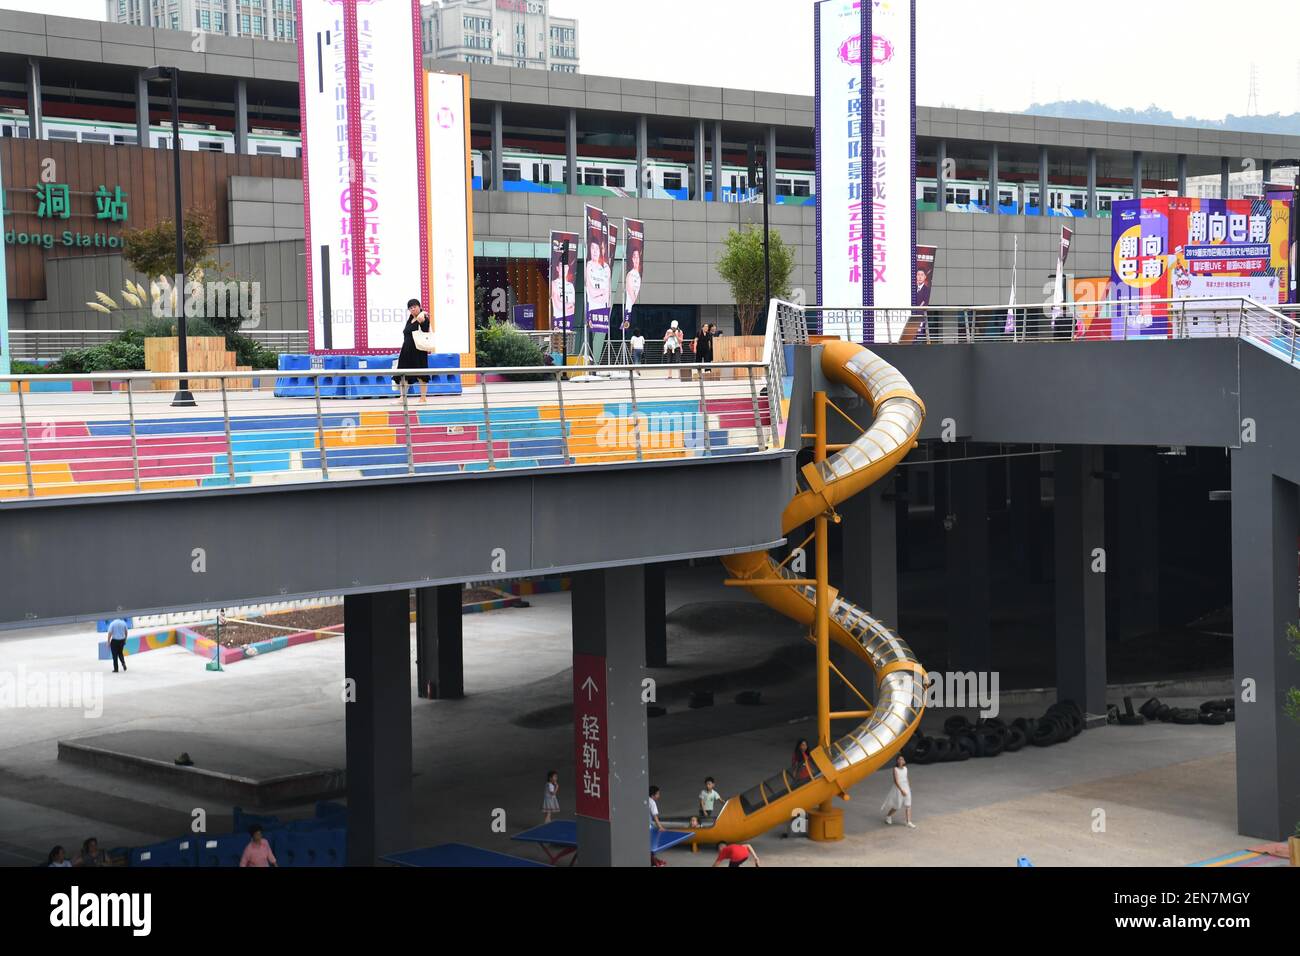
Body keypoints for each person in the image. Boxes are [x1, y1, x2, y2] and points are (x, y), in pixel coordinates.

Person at [394, 298, 432, 404]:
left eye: (414, 307)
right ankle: (402, 398)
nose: (413, 309)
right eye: (410, 308)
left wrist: (423, 312)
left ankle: (423, 398)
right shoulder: (410, 318)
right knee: (402, 374)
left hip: (418, 351)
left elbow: (422, 319)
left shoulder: (423, 317)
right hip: (406, 350)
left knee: (421, 375)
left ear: (419, 306)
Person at [881, 754, 915, 828]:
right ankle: (888, 816)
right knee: (897, 806)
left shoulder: (906, 768)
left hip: (906, 787)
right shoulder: (895, 769)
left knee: (908, 805)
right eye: (899, 759)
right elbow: (896, 781)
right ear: (897, 761)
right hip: (899, 788)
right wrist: (901, 790)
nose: (900, 761)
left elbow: (906, 778)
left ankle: (908, 822)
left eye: (902, 759)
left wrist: (908, 787)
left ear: (904, 761)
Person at [649, 785, 667, 866]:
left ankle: (653, 861)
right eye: (658, 794)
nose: (659, 796)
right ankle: (653, 862)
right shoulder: (652, 802)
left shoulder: (645, 799)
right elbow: (655, 816)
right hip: (648, 827)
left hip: (643, 826)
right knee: (652, 846)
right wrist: (660, 827)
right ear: (653, 795)